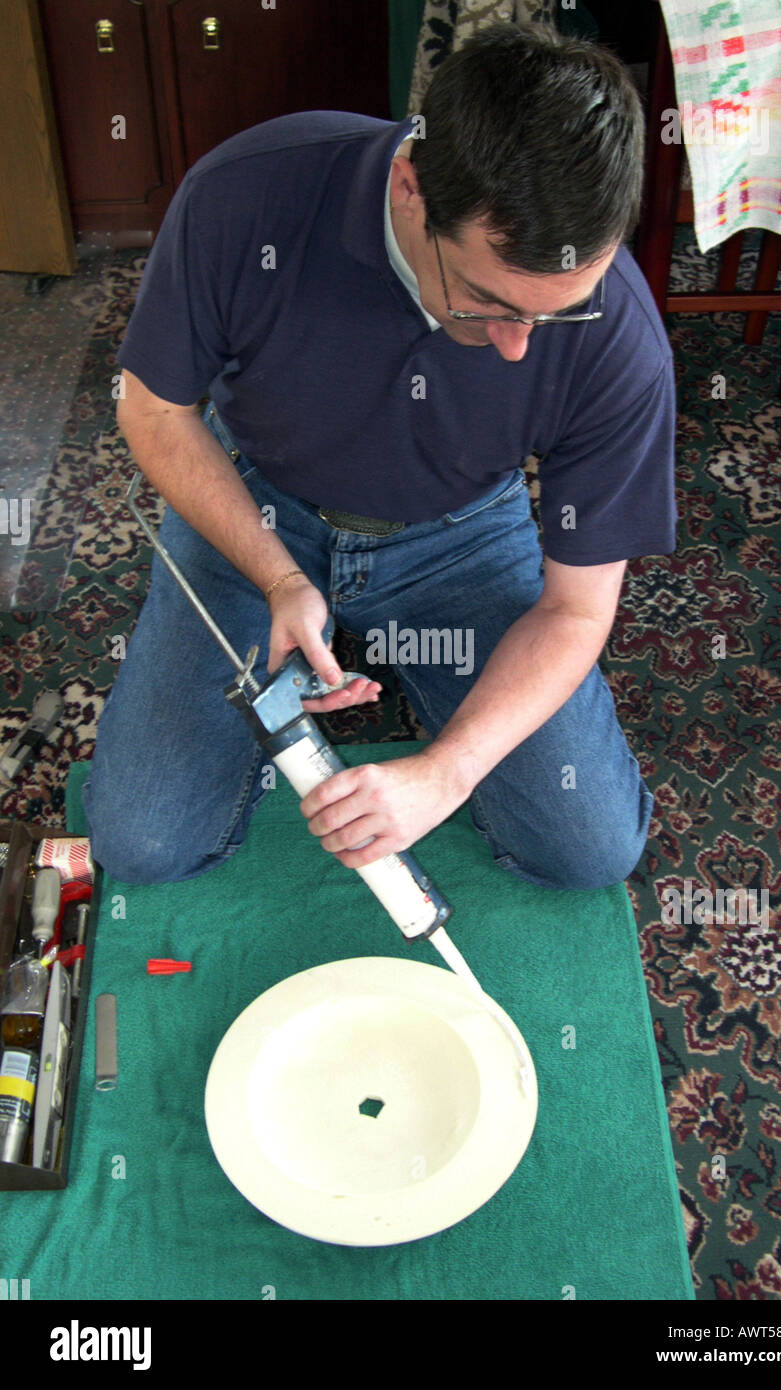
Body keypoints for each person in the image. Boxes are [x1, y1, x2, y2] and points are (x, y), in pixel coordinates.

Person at [83, 24, 676, 890]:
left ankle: (399, 684)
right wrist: (277, 575)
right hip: (259, 505)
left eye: (557, 314)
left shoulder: (619, 336)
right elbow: (156, 408)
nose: (518, 348)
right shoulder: (246, 195)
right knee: (142, 841)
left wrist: (449, 770)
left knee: (586, 850)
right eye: (487, 302)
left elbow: (578, 613)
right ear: (409, 186)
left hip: (463, 529)